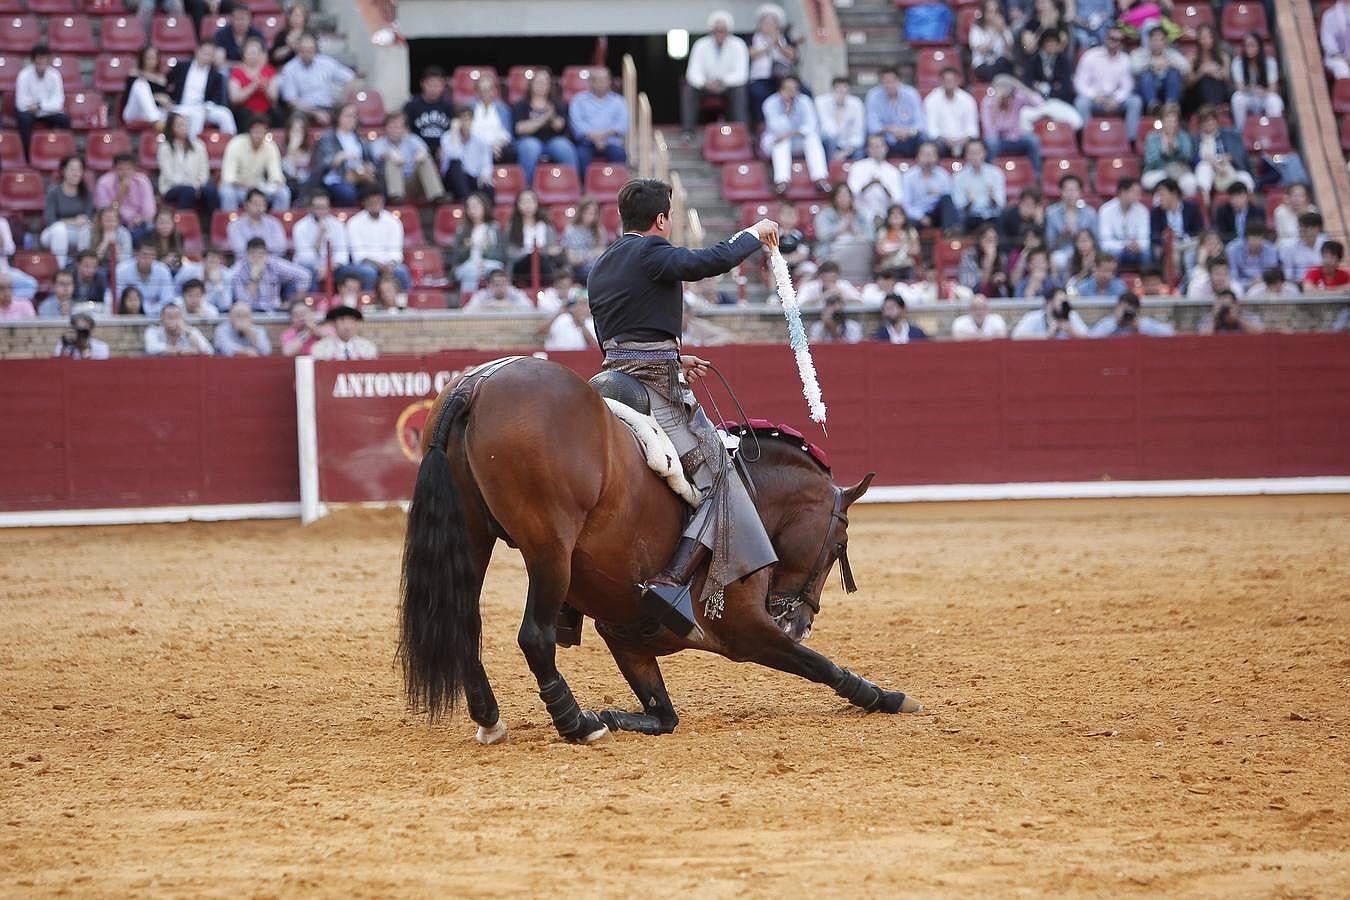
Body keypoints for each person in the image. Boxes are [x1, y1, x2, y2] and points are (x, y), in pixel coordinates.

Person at [584, 177, 777, 639]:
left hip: (610, 379)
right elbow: (709, 262)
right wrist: (753, 233)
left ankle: (569, 607)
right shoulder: (652, 251)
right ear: (661, 219)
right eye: (669, 216)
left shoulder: (602, 264)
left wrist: (674, 356)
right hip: (653, 388)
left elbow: (617, 333)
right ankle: (671, 582)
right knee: (720, 479)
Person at [682, 10, 751, 135]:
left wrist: (723, 81)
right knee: (689, 90)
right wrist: (705, 83)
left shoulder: (738, 44)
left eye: (723, 30)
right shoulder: (700, 45)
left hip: (728, 87)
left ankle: (741, 132)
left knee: (739, 91)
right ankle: (688, 132)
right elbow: (692, 72)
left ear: (729, 30)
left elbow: (742, 74)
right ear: (711, 30)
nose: (720, 33)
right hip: (706, 87)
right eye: (717, 30)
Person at [1073, 26, 1143, 147]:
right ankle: (1087, 140)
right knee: (1081, 102)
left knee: (1135, 101)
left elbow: (1127, 86)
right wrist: (1095, 96)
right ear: (1105, 39)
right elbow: (1079, 82)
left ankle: (1130, 142)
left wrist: (1116, 99)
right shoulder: (1090, 56)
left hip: (1116, 101)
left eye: (1119, 40)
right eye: (1112, 38)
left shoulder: (1125, 59)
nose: (1115, 42)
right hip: (1095, 99)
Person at [760, 75, 829, 196]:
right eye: (788, 88)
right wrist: (787, 111)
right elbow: (776, 128)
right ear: (780, 89)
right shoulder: (770, 103)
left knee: (813, 139)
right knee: (782, 142)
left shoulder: (805, 101)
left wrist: (792, 133)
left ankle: (820, 179)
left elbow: (811, 126)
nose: (791, 92)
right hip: (775, 141)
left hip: (798, 141)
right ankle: (782, 182)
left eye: (794, 89)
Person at [511, 69, 578, 186]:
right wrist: (545, 118)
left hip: (553, 141)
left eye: (545, 82)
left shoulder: (557, 103)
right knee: (530, 147)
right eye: (538, 82)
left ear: (550, 85)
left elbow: (560, 125)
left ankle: (573, 185)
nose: (542, 85)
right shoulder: (521, 104)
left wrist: (550, 118)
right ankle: (525, 188)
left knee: (564, 146)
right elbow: (520, 128)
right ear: (531, 84)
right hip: (528, 141)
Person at [277, 32, 355, 127]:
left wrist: (341, 101)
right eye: (303, 50)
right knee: (297, 118)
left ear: (315, 50)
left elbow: (350, 78)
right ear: (298, 50)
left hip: (327, 107)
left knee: (348, 116)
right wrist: (315, 113)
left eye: (310, 50)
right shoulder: (289, 68)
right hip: (304, 109)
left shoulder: (326, 63)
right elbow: (291, 101)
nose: (307, 53)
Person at [312, 103, 378, 208]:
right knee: (348, 194)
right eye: (348, 116)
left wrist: (369, 166)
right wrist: (339, 157)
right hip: (336, 178)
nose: (352, 119)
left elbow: (368, 159)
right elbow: (321, 162)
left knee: (376, 189)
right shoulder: (328, 137)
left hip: (359, 177)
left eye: (354, 116)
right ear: (338, 117)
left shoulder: (359, 138)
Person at [167, 40, 237, 139]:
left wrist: (207, 107)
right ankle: (193, 144)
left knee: (226, 114)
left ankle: (231, 143)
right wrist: (166, 98)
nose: (206, 57)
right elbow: (166, 82)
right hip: (183, 106)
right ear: (197, 51)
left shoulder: (216, 75)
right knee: (197, 115)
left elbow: (216, 98)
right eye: (204, 53)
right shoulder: (182, 67)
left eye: (210, 54)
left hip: (204, 107)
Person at [346, 187, 411, 291]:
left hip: (389, 263)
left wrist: (390, 264)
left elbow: (396, 251)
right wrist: (378, 265)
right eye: (372, 202)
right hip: (365, 263)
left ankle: (404, 300)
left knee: (402, 271)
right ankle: (367, 300)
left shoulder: (393, 221)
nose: (376, 205)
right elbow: (358, 254)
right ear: (364, 203)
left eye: (378, 201)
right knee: (369, 272)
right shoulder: (354, 223)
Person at [373, 111, 445, 204]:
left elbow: (424, 151)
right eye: (391, 126)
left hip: (412, 181)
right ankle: (396, 197)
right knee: (392, 160)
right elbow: (378, 154)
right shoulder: (379, 143)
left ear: (404, 129)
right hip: (388, 185)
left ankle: (437, 196)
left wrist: (419, 156)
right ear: (385, 128)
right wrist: (390, 154)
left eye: (398, 127)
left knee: (425, 160)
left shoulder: (411, 139)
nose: (395, 130)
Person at [220, 119, 291, 212]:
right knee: (227, 192)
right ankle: (231, 220)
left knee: (283, 192)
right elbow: (228, 177)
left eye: (261, 132)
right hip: (239, 189)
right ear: (249, 131)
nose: (258, 135)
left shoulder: (271, 146)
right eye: (256, 132)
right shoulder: (236, 143)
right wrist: (246, 185)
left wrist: (275, 184)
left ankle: (275, 220)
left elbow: (276, 174)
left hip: (260, 188)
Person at [15, 45, 70, 164]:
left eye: (44, 58)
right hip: (29, 112)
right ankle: (28, 158)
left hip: (47, 111)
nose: (41, 61)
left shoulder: (55, 75)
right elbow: (20, 103)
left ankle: (64, 157)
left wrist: (40, 106)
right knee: (24, 119)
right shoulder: (23, 75)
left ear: (48, 59)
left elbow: (58, 103)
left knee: (64, 120)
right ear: (33, 59)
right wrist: (39, 107)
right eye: (39, 58)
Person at [158, 112, 220, 217]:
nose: (183, 128)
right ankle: (182, 222)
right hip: (171, 186)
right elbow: (168, 174)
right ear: (171, 128)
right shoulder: (165, 148)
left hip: (196, 185)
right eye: (179, 125)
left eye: (184, 124)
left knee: (210, 190)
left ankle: (215, 223)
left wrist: (197, 184)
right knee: (188, 191)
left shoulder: (199, 145)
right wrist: (188, 184)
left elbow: (204, 171)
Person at [569, 68, 629, 174]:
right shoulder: (579, 100)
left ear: (609, 82)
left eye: (604, 80)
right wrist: (595, 138)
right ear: (591, 82)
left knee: (620, 154)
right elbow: (577, 124)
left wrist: (602, 137)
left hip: (611, 142)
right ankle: (584, 184)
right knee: (580, 156)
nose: (601, 83)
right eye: (597, 80)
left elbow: (622, 125)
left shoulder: (619, 101)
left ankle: (615, 184)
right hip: (586, 143)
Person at [981, 75, 1043, 175]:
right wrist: (996, 102)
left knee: (1033, 140)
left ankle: (1037, 176)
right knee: (991, 142)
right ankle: (990, 175)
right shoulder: (988, 102)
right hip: (998, 140)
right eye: (1004, 97)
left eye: (1009, 96)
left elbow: (1039, 103)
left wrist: (1018, 85)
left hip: (1016, 138)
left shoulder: (1017, 99)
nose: (1007, 100)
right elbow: (990, 130)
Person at [747, 3, 798, 124]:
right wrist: (769, 45)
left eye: (772, 23)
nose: (769, 26)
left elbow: (792, 56)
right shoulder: (754, 38)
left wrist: (778, 45)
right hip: (761, 78)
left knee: (804, 92)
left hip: (783, 78)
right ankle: (762, 125)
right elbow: (751, 54)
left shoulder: (785, 38)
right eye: (766, 23)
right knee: (758, 93)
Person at [1192, 106, 1254, 203]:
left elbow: (1240, 154)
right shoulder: (1195, 139)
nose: (1208, 124)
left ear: (1216, 121)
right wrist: (1211, 162)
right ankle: (1205, 203)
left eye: (1210, 120)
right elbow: (1192, 159)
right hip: (1210, 170)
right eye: (1204, 121)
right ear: (1200, 124)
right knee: (1203, 167)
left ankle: (1246, 206)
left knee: (1245, 178)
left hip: (1230, 169)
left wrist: (1229, 158)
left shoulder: (1231, 135)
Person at [40, 156, 93, 268]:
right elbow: (50, 220)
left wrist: (83, 220)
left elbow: (88, 217)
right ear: (63, 171)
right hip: (52, 233)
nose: (76, 173)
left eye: (79, 170)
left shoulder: (86, 192)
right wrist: (72, 221)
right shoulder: (54, 192)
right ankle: (60, 269)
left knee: (86, 228)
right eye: (72, 170)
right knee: (59, 229)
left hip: (77, 233)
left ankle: (83, 267)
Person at [450, 192, 507, 296]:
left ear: (484, 206)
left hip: (490, 264)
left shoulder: (494, 227)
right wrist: (467, 247)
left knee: (496, 271)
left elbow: (501, 255)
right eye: (469, 207)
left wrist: (486, 250)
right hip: (467, 265)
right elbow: (456, 257)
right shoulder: (462, 229)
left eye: (476, 206)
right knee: (472, 271)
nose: (472, 210)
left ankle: (495, 301)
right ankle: (468, 302)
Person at [231, 237, 310, 311]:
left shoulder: (274, 264)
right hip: (251, 312)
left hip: (275, 310)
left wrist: (293, 303)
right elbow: (244, 302)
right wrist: (254, 279)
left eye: (260, 254)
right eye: (253, 254)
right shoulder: (238, 270)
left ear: (266, 254)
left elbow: (304, 275)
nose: (257, 258)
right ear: (246, 254)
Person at [292, 191, 354, 285]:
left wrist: (329, 267)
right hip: (311, 266)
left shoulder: (338, 225)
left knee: (350, 271)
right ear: (310, 208)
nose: (321, 211)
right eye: (318, 207)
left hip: (333, 266)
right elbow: (304, 256)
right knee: (308, 272)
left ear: (329, 208)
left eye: (324, 207)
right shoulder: (300, 227)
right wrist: (320, 235)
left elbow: (342, 252)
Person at [864, 67, 925, 158]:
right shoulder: (873, 96)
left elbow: (920, 124)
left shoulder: (911, 94)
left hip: (908, 137)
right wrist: (889, 129)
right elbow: (872, 126)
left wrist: (907, 132)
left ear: (899, 81)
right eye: (885, 82)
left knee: (924, 141)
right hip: (885, 138)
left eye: (891, 82)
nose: (888, 85)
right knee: (873, 141)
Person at [440, 103, 496, 202]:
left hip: (472, 178)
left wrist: (484, 175)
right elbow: (454, 155)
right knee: (456, 164)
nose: (466, 122)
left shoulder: (480, 139)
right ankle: (467, 203)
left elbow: (486, 163)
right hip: (451, 180)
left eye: (468, 119)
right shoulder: (447, 137)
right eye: (462, 119)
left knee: (488, 186)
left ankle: (487, 211)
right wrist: (454, 132)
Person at [93, 155, 156, 241]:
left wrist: (140, 219)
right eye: (121, 169)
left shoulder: (142, 181)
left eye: (128, 169)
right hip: (115, 224)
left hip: (138, 223)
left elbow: (149, 212)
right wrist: (121, 194)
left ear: (134, 169)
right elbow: (104, 214)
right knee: (121, 234)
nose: (125, 173)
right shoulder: (104, 183)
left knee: (151, 228)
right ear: (114, 169)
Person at [846, 134, 903, 228]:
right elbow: (852, 193)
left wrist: (883, 186)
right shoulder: (857, 167)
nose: (877, 149)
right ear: (867, 149)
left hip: (886, 218)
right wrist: (870, 183)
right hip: (861, 216)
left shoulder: (893, 171)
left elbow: (897, 199)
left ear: (886, 148)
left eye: (880, 146)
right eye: (873, 146)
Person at [901, 142, 958, 232]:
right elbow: (906, 204)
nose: (928, 158)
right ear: (917, 157)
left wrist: (939, 194)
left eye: (931, 154)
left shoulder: (943, 175)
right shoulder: (909, 177)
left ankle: (948, 233)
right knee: (908, 223)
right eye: (924, 154)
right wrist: (921, 217)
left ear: (937, 157)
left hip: (937, 213)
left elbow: (951, 201)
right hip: (917, 214)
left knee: (946, 198)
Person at [1142, 104, 1197, 196]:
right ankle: (1161, 201)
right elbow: (1150, 161)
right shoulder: (1152, 137)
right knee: (1149, 181)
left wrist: (1177, 150)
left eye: (1174, 121)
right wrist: (1164, 152)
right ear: (1162, 121)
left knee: (1191, 182)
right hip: (1158, 172)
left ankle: (1183, 203)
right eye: (1168, 121)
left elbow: (1188, 158)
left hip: (1179, 172)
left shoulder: (1183, 136)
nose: (1171, 124)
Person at [1230, 34, 1284, 130]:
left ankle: (1274, 131)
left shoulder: (1270, 62)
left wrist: (1263, 91)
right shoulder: (1238, 62)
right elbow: (1239, 87)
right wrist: (1250, 88)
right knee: (1237, 98)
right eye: (1247, 46)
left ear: (1259, 46)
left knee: (1274, 100)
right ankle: (1241, 131)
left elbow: (1273, 87)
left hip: (1264, 96)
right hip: (1247, 95)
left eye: (1252, 45)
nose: (1249, 49)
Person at [1045, 174, 1097, 272]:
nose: (1070, 194)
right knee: (1057, 259)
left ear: (1080, 192)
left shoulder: (1090, 213)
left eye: (1074, 190)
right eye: (1067, 190)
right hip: (1061, 252)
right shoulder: (1051, 213)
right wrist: (1063, 236)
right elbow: (1049, 243)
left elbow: (1096, 240)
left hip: (1085, 251)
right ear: (1061, 191)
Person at [952, 139, 1007, 233]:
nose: (975, 156)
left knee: (1005, 219)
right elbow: (959, 207)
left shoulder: (996, 173)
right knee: (959, 222)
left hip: (992, 216)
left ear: (985, 153)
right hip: (970, 217)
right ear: (966, 155)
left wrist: (992, 198)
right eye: (971, 153)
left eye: (978, 152)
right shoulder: (959, 177)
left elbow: (1001, 203)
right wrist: (969, 202)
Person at [923, 69, 979, 160]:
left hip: (963, 141)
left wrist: (962, 140)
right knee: (931, 146)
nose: (949, 83)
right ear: (940, 82)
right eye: (946, 81)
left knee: (976, 147)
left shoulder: (967, 99)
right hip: (941, 141)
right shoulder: (931, 100)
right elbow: (932, 129)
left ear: (958, 81)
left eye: (952, 80)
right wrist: (946, 140)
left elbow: (972, 129)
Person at [1131, 26, 1191, 111]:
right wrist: (1151, 65)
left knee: (1173, 72)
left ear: (1165, 41)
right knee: (1146, 74)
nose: (1157, 43)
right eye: (1154, 40)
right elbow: (1133, 69)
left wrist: (1170, 64)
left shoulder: (1171, 53)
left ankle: (1171, 105)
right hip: (1145, 92)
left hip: (1165, 91)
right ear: (1149, 40)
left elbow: (1187, 67)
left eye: (1161, 40)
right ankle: (1153, 106)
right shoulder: (1140, 53)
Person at [1149, 177, 1203, 267]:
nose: (1159, 199)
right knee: (1173, 254)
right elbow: (1154, 236)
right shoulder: (1156, 213)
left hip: (1189, 243)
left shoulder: (1192, 208)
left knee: (1190, 254)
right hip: (1170, 246)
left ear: (1174, 194)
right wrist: (1164, 236)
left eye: (1162, 195)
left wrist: (1181, 236)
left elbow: (1200, 231)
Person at [813, 183, 874, 263]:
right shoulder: (825, 214)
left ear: (851, 198)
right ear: (834, 198)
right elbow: (822, 236)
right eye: (840, 196)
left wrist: (855, 230)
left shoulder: (860, 215)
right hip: (830, 253)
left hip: (858, 253)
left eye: (846, 195)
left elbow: (871, 237)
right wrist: (841, 227)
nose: (843, 198)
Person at [228, 36, 278, 131]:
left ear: (261, 55)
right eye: (250, 53)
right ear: (244, 54)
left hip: (265, 111)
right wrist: (253, 86)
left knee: (277, 113)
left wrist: (265, 88)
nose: (253, 56)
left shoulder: (269, 70)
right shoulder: (237, 72)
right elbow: (234, 98)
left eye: (255, 53)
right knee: (242, 114)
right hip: (245, 111)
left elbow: (274, 98)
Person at [1097, 177, 1150, 267]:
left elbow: (1145, 240)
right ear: (1123, 192)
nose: (1139, 196)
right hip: (1116, 250)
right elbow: (1105, 242)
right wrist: (1124, 246)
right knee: (1111, 255)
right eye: (1135, 192)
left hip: (1137, 250)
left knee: (1146, 254)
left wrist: (1138, 245)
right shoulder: (1106, 210)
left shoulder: (1143, 211)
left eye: (1139, 193)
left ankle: (1147, 276)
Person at [405, 66, 455, 158]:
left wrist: (445, 147)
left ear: (443, 86)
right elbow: (406, 131)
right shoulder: (412, 106)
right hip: (418, 153)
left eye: (437, 85)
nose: (433, 89)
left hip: (442, 152)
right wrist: (417, 149)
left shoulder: (448, 106)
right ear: (422, 84)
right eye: (430, 85)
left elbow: (453, 132)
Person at [116, 240, 177, 316]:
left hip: (158, 317)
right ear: (136, 255)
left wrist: (144, 309)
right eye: (144, 255)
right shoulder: (122, 270)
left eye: (152, 256)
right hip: (128, 315)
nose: (148, 259)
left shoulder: (163, 270)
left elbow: (168, 301)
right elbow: (118, 299)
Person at [1183, 25, 1232, 118]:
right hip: (1196, 97)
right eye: (1204, 37)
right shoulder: (1192, 57)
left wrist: (1215, 73)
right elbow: (1188, 83)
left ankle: (1213, 110)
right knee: (1205, 80)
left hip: (1218, 92)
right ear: (1199, 40)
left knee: (1213, 81)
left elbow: (1227, 79)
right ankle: (1213, 110)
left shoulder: (1223, 57)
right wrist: (1202, 71)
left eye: (1210, 37)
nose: (1207, 40)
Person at [227, 188, 288, 258]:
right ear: (246, 205)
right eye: (256, 204)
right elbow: (239, 250)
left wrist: (261, 256)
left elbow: (281, 247)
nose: (259, 207)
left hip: (272, 260)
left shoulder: (274, 223)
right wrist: (261, 253)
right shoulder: (235, 226)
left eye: (262, 204)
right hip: (245, 262)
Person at [816, 76, 865, 161]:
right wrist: (838, 107)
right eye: (838, 89)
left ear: (849, 90)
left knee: (860, 150)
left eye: (844, 88)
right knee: (828, 141)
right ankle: (831, 168)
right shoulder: (821, 102)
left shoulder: (856, 103)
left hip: (849, 145)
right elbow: (828, 130)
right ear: (832, 89)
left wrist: (846, 152)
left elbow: (858, 133)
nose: (841, 92)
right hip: (830, 142)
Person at [121, 45, 172, 128]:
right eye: (148, 58)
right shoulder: (134, 74)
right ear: (142, 58)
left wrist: (166, 102)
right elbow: (131, 95)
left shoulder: (162, 79)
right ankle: (156, 119)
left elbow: (164, 98)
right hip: (134, 111)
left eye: (154, 57)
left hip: (154, 112)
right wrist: (155, 97)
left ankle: (158, 121)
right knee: (141, 84)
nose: (151, 61)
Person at [1022, 29, 1074, 105]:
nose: (1052, 45)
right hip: (1037, 100)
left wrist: (1048, 88)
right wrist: (1042, 86)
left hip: (1059, 100)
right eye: (1049, 42)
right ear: (1043, 44)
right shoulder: (1034, 60)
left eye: (1055, 42)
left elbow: (1066, 85)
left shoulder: (1064, 61)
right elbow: (1027, 80)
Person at [560, 200, 609, 281]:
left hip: (598, 268)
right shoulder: (571, 230)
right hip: (579, 270)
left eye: (594, 213)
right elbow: (572, 260)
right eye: (588, 212)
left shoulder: (599, 230)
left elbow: (603, 253)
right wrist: (591, 255)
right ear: (581, 212)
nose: (591, 216)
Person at [1089, 291, 1174, 337]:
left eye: (1130, 310)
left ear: (1137, 311)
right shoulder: (1108, 322)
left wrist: (1139, 326)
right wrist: (1116, 324)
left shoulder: (1143, 323)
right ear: (1117, 308)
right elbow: (1092, 338)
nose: (1126, 313)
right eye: (1123, 309)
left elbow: (1169, 332)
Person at [959, 224, 1011, 296]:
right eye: (988, 239)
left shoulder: (1001, 256)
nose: (991, 243)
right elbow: (974, 288)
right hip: (974, 297)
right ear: (979, 240)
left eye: (994, 239)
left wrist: (1002, 278)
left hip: (997, 298)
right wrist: (989, 259)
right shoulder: (969, 255)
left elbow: (1008, 285)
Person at [1012, 289, 1087, 338]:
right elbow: (1017, 335)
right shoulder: (1034, 317)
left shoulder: (1071, 315)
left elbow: (1088, 336)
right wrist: (1047, 335)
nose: (1063, 305)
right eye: (1060, 302)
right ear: (1049, 302)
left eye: (1065, 302)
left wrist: (1071, 330)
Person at [145, 302, 214, 356]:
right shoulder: (152, 331)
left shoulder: (191, 331)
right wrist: (180, 351)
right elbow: (151, 348)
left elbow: (209, 350)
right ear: (162, 319)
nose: (173, 320)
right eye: (169, 317)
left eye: (176, 316)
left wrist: (188, 333)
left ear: (182, 319)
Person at [310, 305, 377, 359]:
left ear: (356, 324)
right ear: (333, 324)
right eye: (342, 321)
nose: (347, 326)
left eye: (351, 321)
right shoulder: (320, 348)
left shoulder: (367, 347)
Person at [82, 206, 133, 272]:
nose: (111, 224)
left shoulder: (124, 233)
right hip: (93, 269)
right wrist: (105, 243)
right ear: (100, 221)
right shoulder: (87, 231)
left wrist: (114, 245)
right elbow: (86, 261)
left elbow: (126, 262)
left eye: (114, 220)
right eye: (107, 220)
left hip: (117, 267)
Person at [1279, 212, 1326, 282]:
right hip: (1300, 284)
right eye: (1300, 228)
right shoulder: (1290, 248)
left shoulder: (1326, 244)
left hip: (1324, 283)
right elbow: (1288, 276)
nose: (1301, 231)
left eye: (1305, 229)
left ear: (1317, 229)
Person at [794, 260, 863, 308]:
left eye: (833, 278)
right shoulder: (808, 287)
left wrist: (842, 298)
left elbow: (860, 303)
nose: (830, 281)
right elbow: (799, 306)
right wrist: (824, 297)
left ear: (838, 276)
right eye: (826, 278)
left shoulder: (844, 285)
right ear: (820, 276)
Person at [873, 208, 920, 275]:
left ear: (904, 217)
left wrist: (901, 247)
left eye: (899, 214)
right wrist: (897, 248)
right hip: (889, 266)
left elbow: (916, 250)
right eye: (893, 214)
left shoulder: (910, 231)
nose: (896, 216)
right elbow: (880, 251)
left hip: (907, 266)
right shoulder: (883, 231)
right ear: (888, 218)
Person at [461, 267, 533, 312]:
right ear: (489, 285)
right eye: (497, 285)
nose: (500, 288)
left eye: (504, 284)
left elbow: (530, 309)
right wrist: (486, 304)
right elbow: (467, 311)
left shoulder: (515, 293)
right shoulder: (482, 295)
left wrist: (507, 304)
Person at [1198, 290, 1263, 334]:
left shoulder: (1247, 316)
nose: (1225, 309)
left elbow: (1260, 332)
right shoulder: (1210, 317)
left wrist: (1238, 319)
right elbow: (1202, 337)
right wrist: (1214, 318)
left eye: (1228, 305)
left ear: (1236, 305)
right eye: (1222, 305)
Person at [270, 2, 311, 68]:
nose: (296, 19)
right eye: (293, 15)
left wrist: (296, 47)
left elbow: (314, 56)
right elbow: (274, 57)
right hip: (284, 69)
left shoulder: (310, 34)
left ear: (305, 18)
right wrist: (289, 47)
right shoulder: (282, 34)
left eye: (299, 16)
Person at [1322, 0, 1350, 79]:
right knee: (1342, 67)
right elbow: (1328, 42)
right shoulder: (1330, 15)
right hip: (1337, 58)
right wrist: (1345, 59)